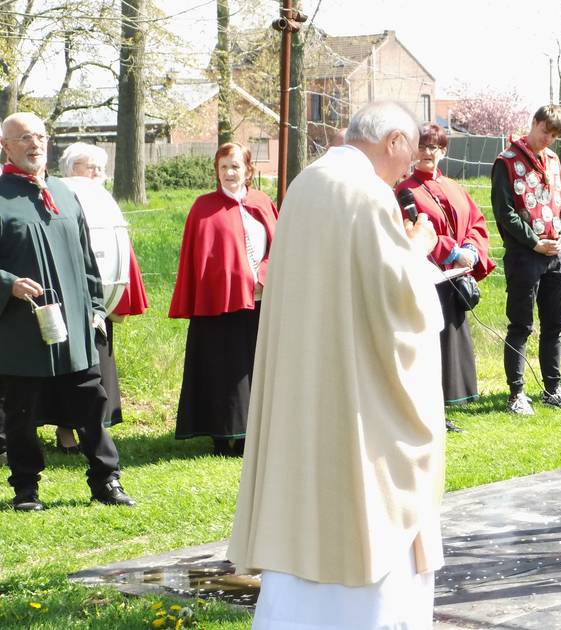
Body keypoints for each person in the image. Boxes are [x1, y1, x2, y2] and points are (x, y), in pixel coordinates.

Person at [227, 101, 445, 629]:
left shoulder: (305, 183)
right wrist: (418, 249)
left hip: (307, 377)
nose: (408, 168)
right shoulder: (367, 194)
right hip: (359, 399)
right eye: (408, 155)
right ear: (393, 140)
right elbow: (399, 304)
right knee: (364, 503)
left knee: (307, 495)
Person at [0, 112, 134, 511]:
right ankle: (26, 489)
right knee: (21, 414)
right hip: (20, 332)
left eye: (39, 136)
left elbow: (86, 257)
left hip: (74, 328)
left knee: (92, 405)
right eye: (24, 138)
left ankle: (106, 481)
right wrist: (8, 283)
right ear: (6, 146)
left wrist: (94, 306)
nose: (34, 144)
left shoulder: (64, 193)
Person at [169, 143, 278, 455]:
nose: (230, 173)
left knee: (253, 367)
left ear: (248, 170)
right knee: (221, 369)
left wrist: (264, 274)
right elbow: (198, 258)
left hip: (259, 300)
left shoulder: (262, 202)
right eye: (223, 168)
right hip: (218, 303)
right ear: (217, 171)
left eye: (235, 167)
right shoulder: (203, 207)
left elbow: (278, 244)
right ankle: (220, 435)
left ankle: (248, 436)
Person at [48, 143, 149, 451]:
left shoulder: (103, 203)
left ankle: (97, 430)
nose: (96, 173)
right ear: (69, 170)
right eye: (88, 166)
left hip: (99, 299)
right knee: (68, 368)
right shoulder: (57, 198)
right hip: (65, 300)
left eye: (99, 168)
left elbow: (118, 252)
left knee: (99, 363)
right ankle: (65, 433)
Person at [396, 122, 495, 431]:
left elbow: (477, 223)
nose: (429, 153)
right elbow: (411, 230)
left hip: (456, 280)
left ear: (443, 151)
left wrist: (472, 251)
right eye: (423, 146)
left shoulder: (454, 186)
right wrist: (451, 251)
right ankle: (429, 411)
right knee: (432, 347)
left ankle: (446, 408)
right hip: (429, 278)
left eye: (435, 147)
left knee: (452, 347)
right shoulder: (404, 190)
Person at [492, 104, 561, 415]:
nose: (548, 139)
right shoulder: (507, 161)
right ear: (534, 123)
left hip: (556, 254)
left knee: (555, 324)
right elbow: (504, 212)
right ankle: (516, 394)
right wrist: (533, 242)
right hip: (524, 256)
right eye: (545, 131)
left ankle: (553, 388)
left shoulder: (554, 161)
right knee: (521, 324)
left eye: (555, 136)